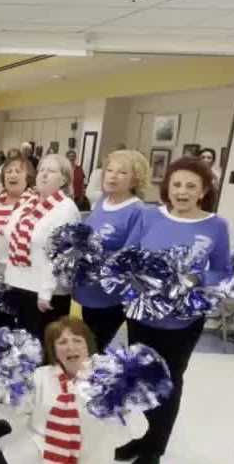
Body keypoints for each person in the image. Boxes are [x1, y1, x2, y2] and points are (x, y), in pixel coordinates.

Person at [117, 157, 231, 464]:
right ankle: (142, 436)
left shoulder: (216, 226)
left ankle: (154, 448)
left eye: (191, 186)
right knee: (140, 377)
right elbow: (128, 255)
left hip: (183, 322)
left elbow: (223, 271)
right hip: (142, 315)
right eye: (177, 184)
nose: (182, 192)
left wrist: (196, 278)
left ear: (203, 191)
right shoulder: (149, 216)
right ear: (167, 187)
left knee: (168, 381)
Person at [0, 317, 141, 464]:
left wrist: (125, 409)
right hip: (40, 449)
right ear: (54, 351)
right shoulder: (41, 375)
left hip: (89, 458)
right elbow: (19, 407)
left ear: (88, 346)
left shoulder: (110, 380)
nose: (70, 347)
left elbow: (138, 429)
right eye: (62, 342)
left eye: (77, 340)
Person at [1, 154, 81, 344]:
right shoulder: (29, 202)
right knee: (20, 348)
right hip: (20, 284)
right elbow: (8, 232)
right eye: (41, 170)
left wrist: (46, 291)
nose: (44, 175)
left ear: (64, 179)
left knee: (42, 349)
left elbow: (61, 255)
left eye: (51, 171)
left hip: (45, 293)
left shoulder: (66, 209)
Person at [74, 150, 149, 350]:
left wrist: (95, 256)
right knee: (88, 346)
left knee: (93, 348)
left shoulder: (138, 211)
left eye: (122, 172)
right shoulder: (102, 202)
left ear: (135, 180)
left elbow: (129, 257)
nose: (113, 176)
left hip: (110, 297)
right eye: (109, 170)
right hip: (89, 290)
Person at [0, 156, 35, 344]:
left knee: (13, 325)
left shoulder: (35, 203)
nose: (12, 175)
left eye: (18, 171)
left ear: (28, 177)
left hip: (18, 275)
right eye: (8, 171)